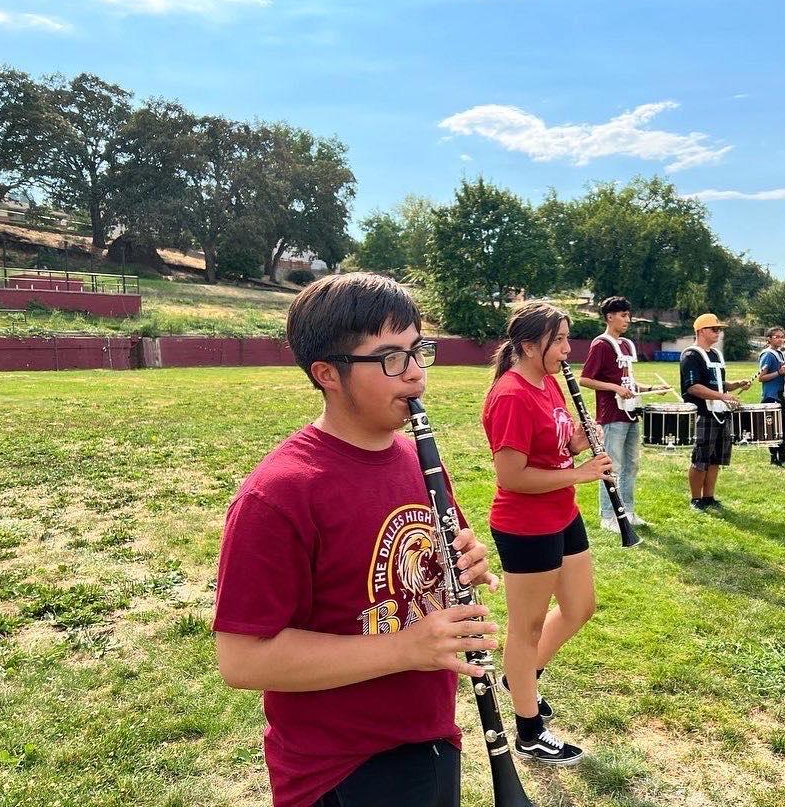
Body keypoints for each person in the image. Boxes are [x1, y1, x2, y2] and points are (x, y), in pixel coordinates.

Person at [212, 272, 499, 807]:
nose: (415, 375)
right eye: (391, 358)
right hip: (340, 769)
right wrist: (406, 648)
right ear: (328, 374)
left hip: (426, 733)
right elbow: (242, 659)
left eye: (419, 351)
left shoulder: (415, 456)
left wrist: (466, 564)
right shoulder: (278, 495)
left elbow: (428, 564)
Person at [481, 301, 613, 765]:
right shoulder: (512, 395)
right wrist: (580, 474)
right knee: (527, 627)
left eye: (566, 338)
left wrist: (581, 439)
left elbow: (559, 443)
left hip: (561, 513)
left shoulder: (550, 383)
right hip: (525, 524)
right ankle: (529, 731)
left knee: (580, 607)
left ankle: (523, 677)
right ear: (528, 345)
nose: (566, 348)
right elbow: (512, 476)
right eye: (557, 340)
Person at [579, 295, 657, 530]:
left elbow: (627, 381)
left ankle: (628, 512)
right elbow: (585, 379)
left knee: (631, 465)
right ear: (609, 317)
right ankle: (608, 516)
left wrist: (651, 389)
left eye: (628, 315)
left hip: (630, 413)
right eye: (623, 315)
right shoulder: (601, 344)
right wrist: (614, 389)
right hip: (611, 415)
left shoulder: (624, 345)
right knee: (612, 466)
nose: (627, 320)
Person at [680, 313, 753, 511]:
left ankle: (709, 497)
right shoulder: (691, 356)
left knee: (715, 459)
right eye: (714, 329)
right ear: (701, 331)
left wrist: (735, 384)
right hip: (702, 413)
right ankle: (696, 499)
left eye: (719, 329)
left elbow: (719, 385)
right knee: (700, 459)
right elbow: (693, 387)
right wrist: (722, 396)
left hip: (720, 414)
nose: (718, 333)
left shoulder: (716, 355)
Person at [757, 326, 785, 466]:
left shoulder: (780, 354)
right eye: (776, 336)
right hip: (772, 396)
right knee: (774, 428)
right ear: (769, 339)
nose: (780, 339)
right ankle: (774, 457)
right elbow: (761, 377)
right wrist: (779, 373)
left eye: (782, 336)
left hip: (782, 395)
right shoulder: (767, 355)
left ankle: (782, 455)